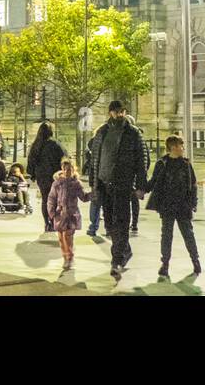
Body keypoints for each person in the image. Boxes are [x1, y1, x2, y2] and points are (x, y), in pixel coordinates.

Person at [93, 100, 148, 279]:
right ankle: (125, 251)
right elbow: (95, 160)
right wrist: (95, 185)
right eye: (117, 111)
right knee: (109, 224)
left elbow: (142, 160)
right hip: (104, 183)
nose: (120, 114)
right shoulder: (102, 132)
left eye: (122, 111)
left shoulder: (133, 133)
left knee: (122, 222)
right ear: (110, 113)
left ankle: (116, 260)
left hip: (123, 184)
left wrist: (141, 186)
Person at [146, 135, 200, 277]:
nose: (183, 148)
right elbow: (153, 181)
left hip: (183, 205)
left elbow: (193, 185)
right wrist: (142, 189)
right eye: (181, 146)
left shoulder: (186, 164)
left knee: (188, 234)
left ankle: (196, 261)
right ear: (173, 147)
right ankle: (165, 264)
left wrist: (193, 203)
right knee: (166, 235)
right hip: (167, 205)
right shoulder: (162, 163)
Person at [46, 157, 91, 270]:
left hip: (71, 214)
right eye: (65, 169)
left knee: (68, 236)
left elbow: (84, 197)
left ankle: (69, 257)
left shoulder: (76, 184)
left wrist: (93, 194)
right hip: (59, 215)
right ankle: (65, 257)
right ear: (62, 169)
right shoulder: (57, 183)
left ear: (73, 169)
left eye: (69, 169)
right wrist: (51, 213)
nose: (67, 171)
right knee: (61, 238)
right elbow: (51, 198)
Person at [26, 121, 66, 233]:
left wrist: (33, 174)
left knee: (45, 199)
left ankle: (47, 223)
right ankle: (54, 221)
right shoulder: (56, 144)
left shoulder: (36, 144)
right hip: (54, 176)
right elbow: (64, 159)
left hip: (42, 177)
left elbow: (31, 161)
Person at [129, 115, 151, 236]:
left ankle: (133, 223)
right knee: (133, 201)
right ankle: (134, 223)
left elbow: (145, 159)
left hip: (133, 176)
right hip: (135, 176)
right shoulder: (140, 139)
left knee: (131, 201)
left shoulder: (137, 138)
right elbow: (146, 160)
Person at [84, 122, 104, 237]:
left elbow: (91, 165)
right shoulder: (107, 145)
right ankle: (107, 228)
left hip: (96, 178)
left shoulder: (92, 145)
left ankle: (93, 227)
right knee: (105, 203)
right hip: (105, 178)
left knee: (95, 203)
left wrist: (92, 181)